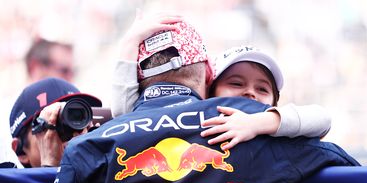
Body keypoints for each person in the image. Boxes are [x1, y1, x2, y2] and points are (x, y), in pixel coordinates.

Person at [24, 20, 359, 183]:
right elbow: (350, 170)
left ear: (138, 79)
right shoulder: (242, 123)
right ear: (208, 79)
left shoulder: (91, 146)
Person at [110, 14, 331, 150]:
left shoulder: (272, 132)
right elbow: (127, 116)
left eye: (262, 88)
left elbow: (322, 119)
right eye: (236, 83)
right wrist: (128, 44)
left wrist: (258, 124)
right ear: (209, 89)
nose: (250, 93)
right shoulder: (195, 119)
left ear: (275, 101)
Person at [9, 77, 102, 168]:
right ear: (21, 151)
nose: (72, 136)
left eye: (76, 118)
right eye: (56, 121)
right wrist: (50, 165)